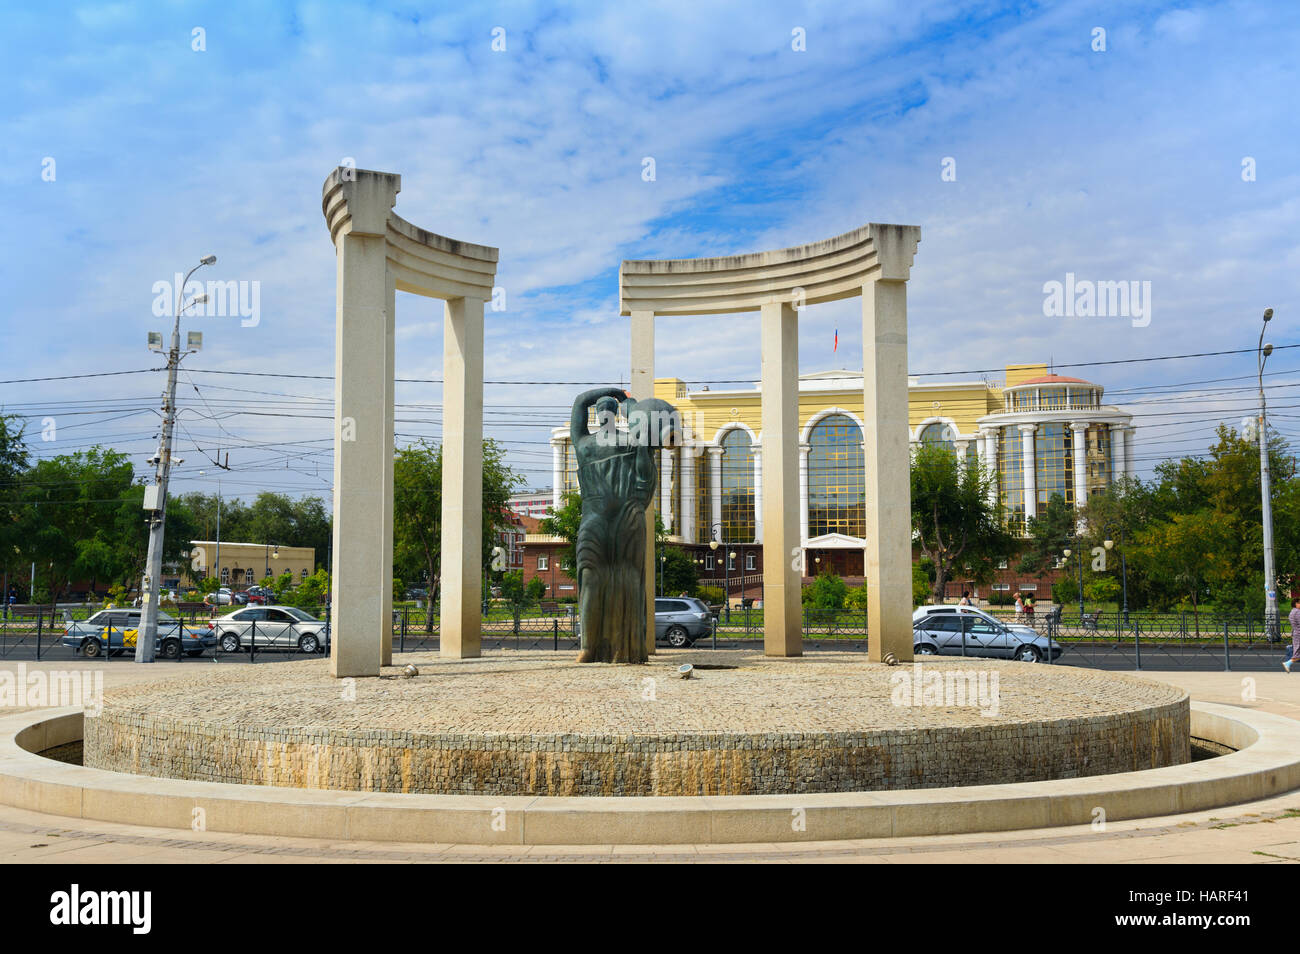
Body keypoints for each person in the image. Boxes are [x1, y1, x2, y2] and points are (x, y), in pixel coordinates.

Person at [1285, 597, 1300, 672]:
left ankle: (1288, 663)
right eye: (1299, 603)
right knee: (1297, 654)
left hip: (1296, 634)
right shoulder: (1297, 612)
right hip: (1299, 634)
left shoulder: (1292, 612)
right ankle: (1288, 663)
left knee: (1297, 653)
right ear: (1296, 604)